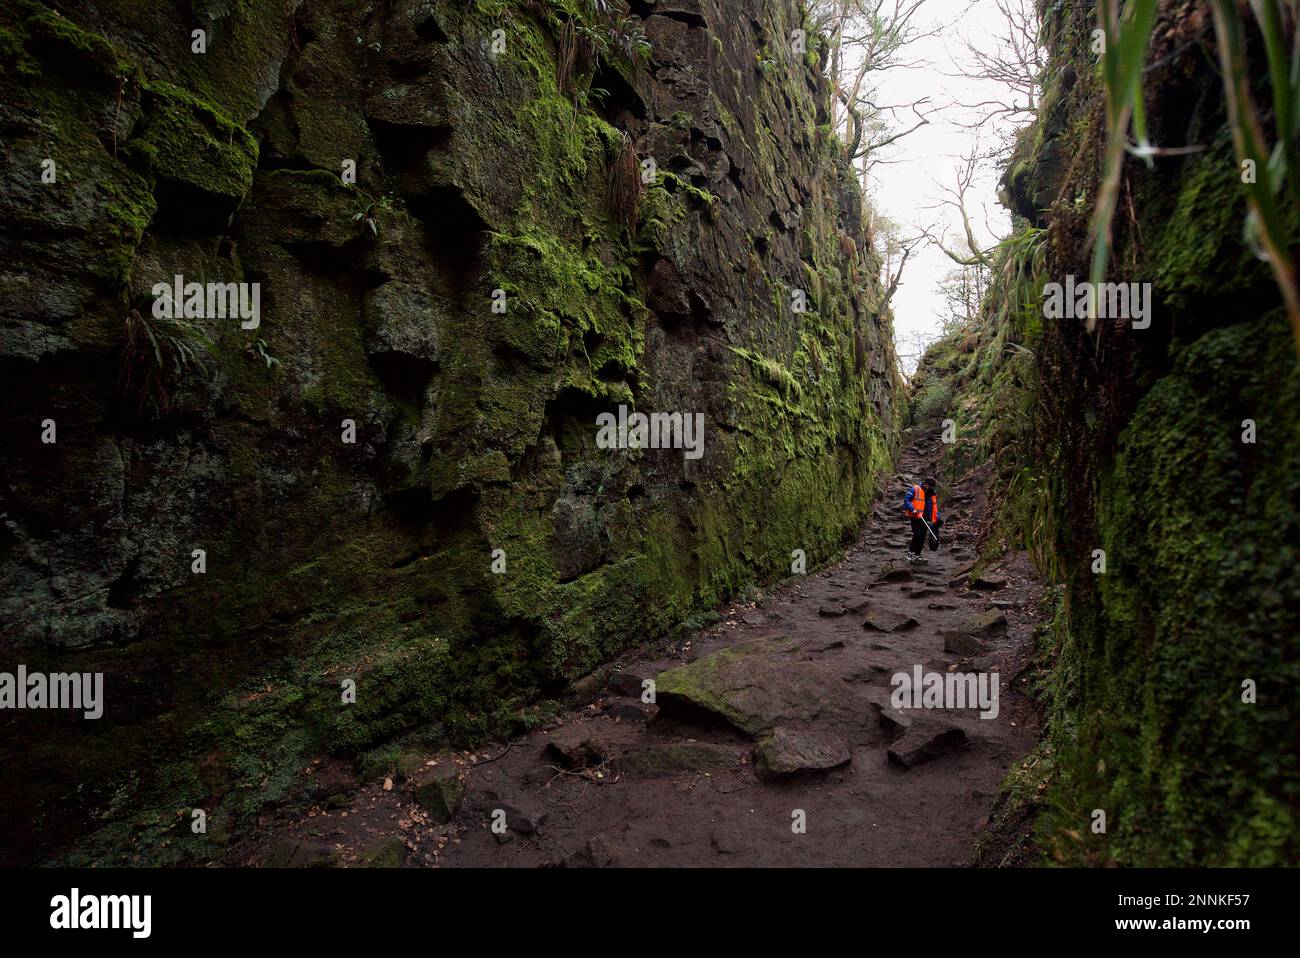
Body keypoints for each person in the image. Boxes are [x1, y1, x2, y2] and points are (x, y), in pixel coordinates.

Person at [904, 476, 941, 563]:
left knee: (922, 536)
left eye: (931, 486)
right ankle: (910, 552)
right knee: (917, 534)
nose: (930, 488)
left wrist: (936, 516)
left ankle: (918, 555)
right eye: (929, 486)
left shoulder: (932, 493)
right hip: (915, 516)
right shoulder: (916, 489)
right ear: (925, 484)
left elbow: (934, 506)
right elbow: (907, 499)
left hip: (926, 517)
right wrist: (912, 508)